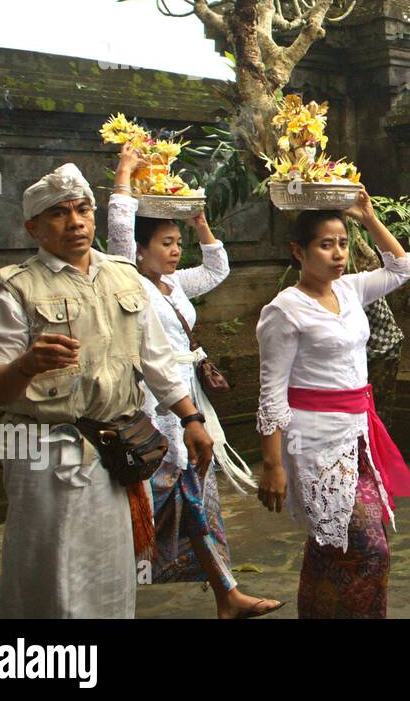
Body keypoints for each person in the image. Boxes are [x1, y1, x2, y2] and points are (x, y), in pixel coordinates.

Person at [0, 163, 214, 618]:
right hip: (46, 454)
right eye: (59, 213)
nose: (75, 222)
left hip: (115, 449)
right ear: (33, 228)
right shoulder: (14, 289)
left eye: (82, 209)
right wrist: (25, 366)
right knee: (50, 571)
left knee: (110, 571)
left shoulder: (124, 277)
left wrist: (191, 419)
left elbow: (157, 361)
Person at [107, 145, 281, 619]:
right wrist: (125, 172)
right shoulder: (128, 280)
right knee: (142, 503)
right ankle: (103, 595)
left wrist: (200, 224)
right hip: (150, 406)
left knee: (198, 495)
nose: (174, 249)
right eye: (165, 242)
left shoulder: (174, 283)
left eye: (176, 242)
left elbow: (217, 269)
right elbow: (119, 229)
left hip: (188, 406)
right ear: (138, 250)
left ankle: (228, 595)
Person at [255, 190, 410, 618]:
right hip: (314, 439)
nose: (338, 253)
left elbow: (401, 266)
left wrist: (367, 216)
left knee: (337, 547)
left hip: (359, 433)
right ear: (299, 251)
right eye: (325, 245)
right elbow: (272, 392)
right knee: (366, 546)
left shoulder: (349, 290)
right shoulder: (284, 310)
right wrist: (272, 465)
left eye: (342, 243)